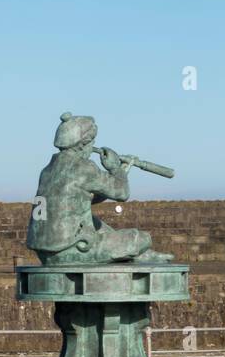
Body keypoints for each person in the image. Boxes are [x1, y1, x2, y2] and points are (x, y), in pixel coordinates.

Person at [26, 112, 172, 265]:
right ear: (84, 143)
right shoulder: (83, 167)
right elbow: (122, 193)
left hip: (44, 254)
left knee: (99, 225)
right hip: (71, 250)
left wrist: (117, 176)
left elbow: (80, 199)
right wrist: (116, 169)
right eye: (92, 142)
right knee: (141, 239)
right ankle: (137, 253)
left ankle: (140, 256)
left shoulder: (47, 171)